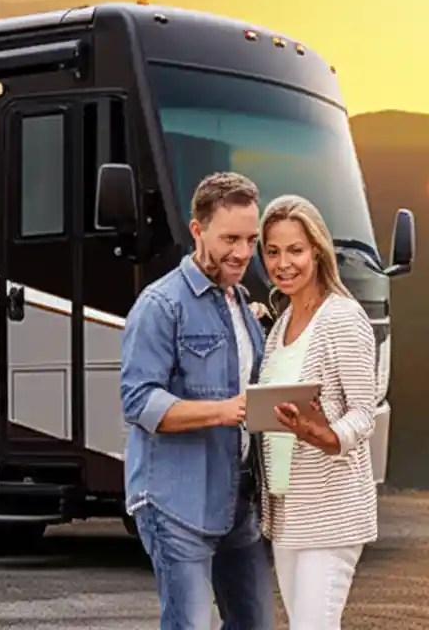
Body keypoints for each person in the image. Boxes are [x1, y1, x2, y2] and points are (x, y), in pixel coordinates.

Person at [120, 171, 275, 630]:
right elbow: (139, 401)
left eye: (251, 239)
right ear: (197, 231)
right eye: (230, 238)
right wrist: (226, 410)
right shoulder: (160, 304)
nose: (243, 252)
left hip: (237, 504)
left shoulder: (242, 304)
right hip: (176, 504)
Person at [254, 194, 380, 629]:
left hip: (332, 513)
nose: (283, 263)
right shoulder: (279, 326)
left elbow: (364, 412)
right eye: (272, 252)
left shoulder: (343, 318)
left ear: (317, 252)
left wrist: (326, 436)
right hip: (287, 513)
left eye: (295, 250)